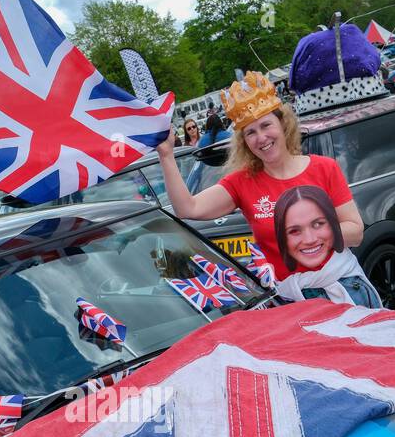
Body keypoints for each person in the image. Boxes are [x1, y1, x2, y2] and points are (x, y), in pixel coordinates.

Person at [155, 70, 364, 287]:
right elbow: (188, 208)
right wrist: (167, 155)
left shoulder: (324, 168)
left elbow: (355, 232)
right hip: (292, 300)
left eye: (266, 125)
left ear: (283, 125)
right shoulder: (242, 182)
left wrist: (307, 235)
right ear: (244, 141)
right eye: (250, 132)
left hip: (344, 286)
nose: (261, 138)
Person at [273, 185, 381, 308]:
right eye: (295, 231)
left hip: (347, 286)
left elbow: (356, 235)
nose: (309, 239)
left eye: (318, 224)